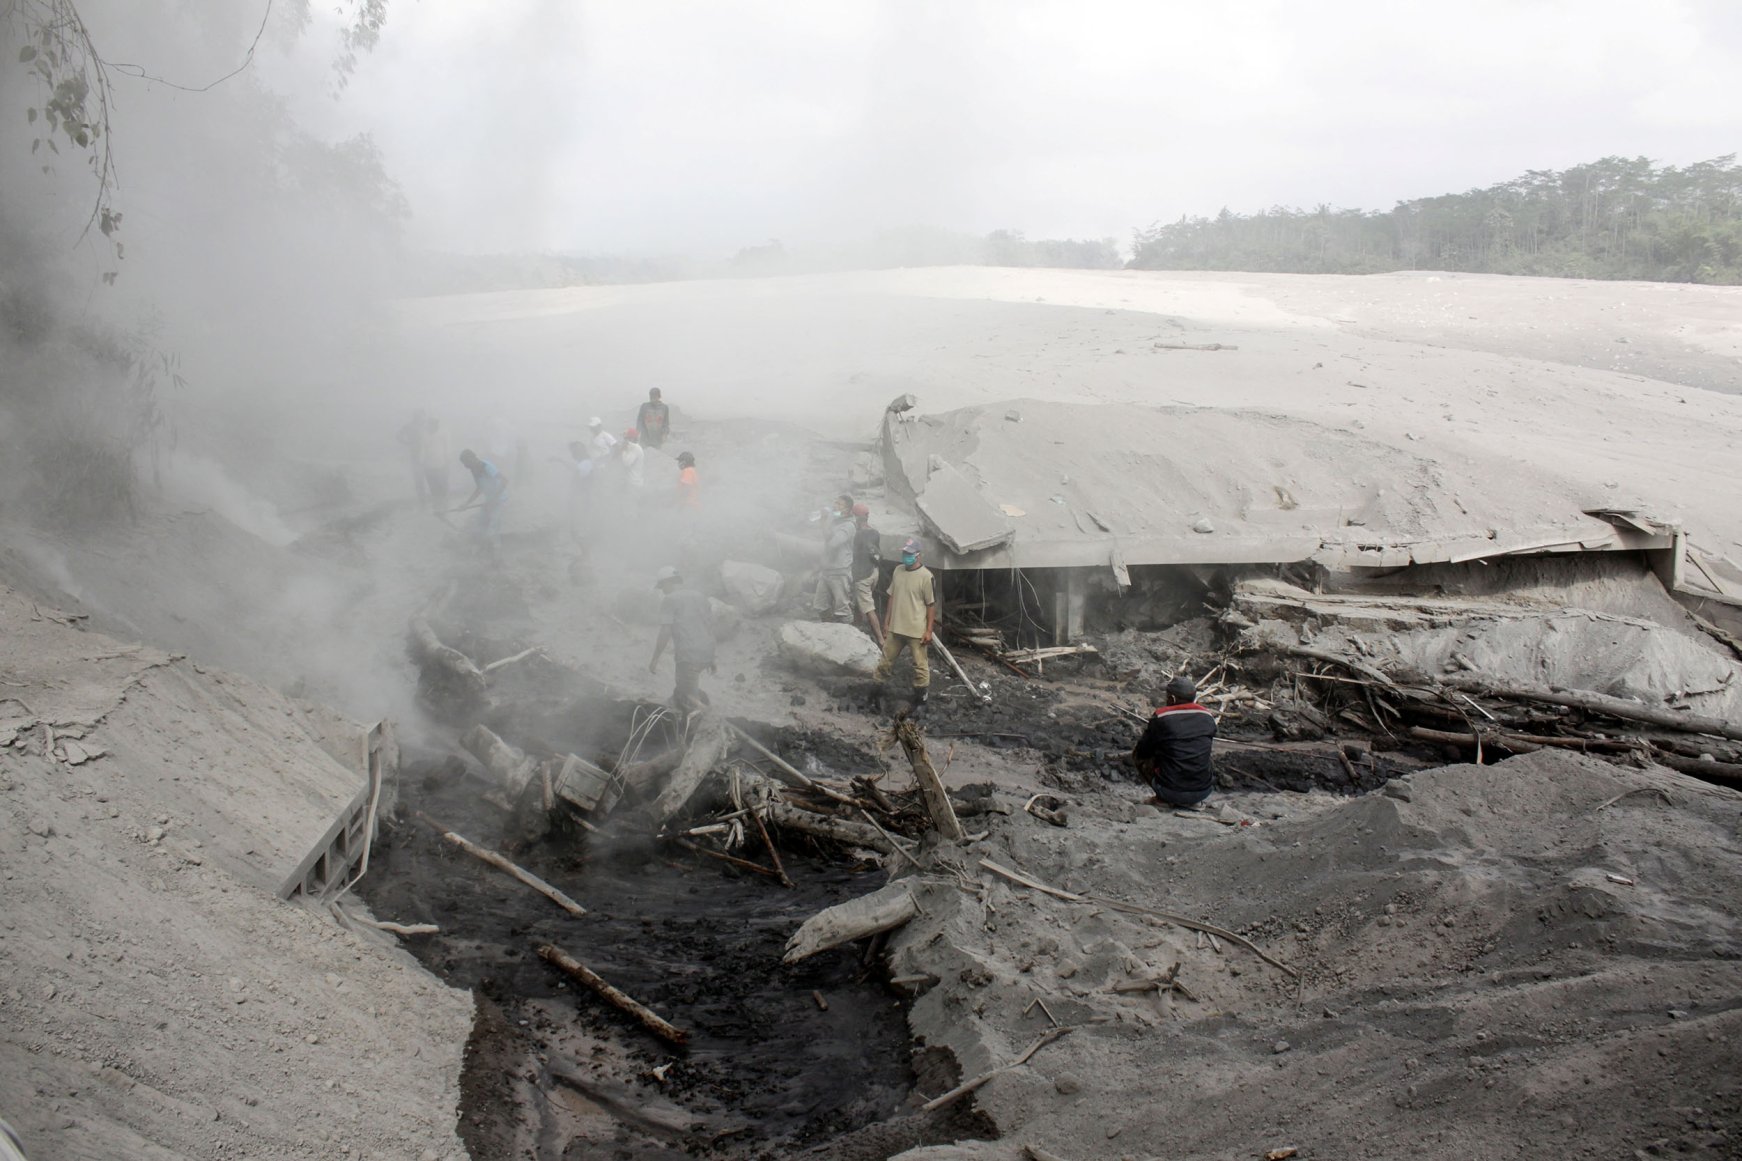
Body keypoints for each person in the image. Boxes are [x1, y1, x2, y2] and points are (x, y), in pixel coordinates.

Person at [1131, 675, 1217, 808]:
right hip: (1203, 791)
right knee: (1204, 755)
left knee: (1140, 755)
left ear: (1172, 699)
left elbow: (1144, 749)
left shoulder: (1162, 716)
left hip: (1169, 791)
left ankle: (1162, 799)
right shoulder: (1208, 717)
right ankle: (1193, 801)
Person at [872, 537, 935, 714]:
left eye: (908, 553)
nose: (905, 556)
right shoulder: (898, 571)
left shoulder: (926, 577)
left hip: (916, 630)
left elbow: (931, 605)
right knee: (885, 662)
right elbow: (892, 596)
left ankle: (921, 701)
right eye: (904, 553)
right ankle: (875, 694)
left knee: (920, 666)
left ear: (918, 555)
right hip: (895, 628)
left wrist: (929, 630)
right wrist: (886, 621)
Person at [649, 566, 716, 711]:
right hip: (707, 653)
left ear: (668, 583)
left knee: (687, 697)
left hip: (688, 656)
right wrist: (712, 658)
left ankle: (708, 716)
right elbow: (709, 626)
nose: (662, 590)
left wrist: (655, 659)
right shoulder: (700, 596)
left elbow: (665, 631)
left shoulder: (670, 600)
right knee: (686, 688)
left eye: (662, 586)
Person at [456, 449, 509, 554]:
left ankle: (496, 554)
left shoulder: (487, 467)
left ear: (473, 458)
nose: (465, 467)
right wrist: (466, 504)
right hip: (489, 500)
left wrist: (494, 498)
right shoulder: (474, 469)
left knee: (493, 528)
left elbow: (504, 480)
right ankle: (479, 549)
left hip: (499, 500)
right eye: (464, 464)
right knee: (480, 526)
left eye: (466, 463)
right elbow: (479, 488)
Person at [815, 493, 855, 622]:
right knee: (820, 606)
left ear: (847, 509)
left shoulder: (849, 525)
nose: (835, 506)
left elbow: (833, 543)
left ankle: (847, 634)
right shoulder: (835, 521)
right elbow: (827, 537)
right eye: (835, 502)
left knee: (842, 609)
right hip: (827, 570)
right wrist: (823, 523)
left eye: (839, 504)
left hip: (839, 572)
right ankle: (829, 630)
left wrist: (827, 523)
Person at [850, 502, 883, 640]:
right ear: (867, 515)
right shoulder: (875, 532)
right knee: (860, 601)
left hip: (862, 575)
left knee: (868, 608)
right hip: (874, 572)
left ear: (855, 516)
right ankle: (856, 626)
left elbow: (851, 555)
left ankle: (881, 640)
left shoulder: (856, 535)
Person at [419, 415, 450, 509]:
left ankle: (445, 505)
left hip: (441, 463)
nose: (432, 426)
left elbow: (447, 447)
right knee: (432, 485)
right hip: (428, 465)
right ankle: (437, 505)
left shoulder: (443, 433)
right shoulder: (424, 435)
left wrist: (448, 460)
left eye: (434, 424)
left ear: (437, 425)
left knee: (442, 484)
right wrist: (421, 461)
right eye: (430, 424)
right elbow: (422, 449)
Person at [616, 427, 646, 492]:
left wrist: (623, 450)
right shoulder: (632, 448)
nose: (624, 440)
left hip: (634, 485)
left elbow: (626, 463)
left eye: (625, 438)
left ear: (631, 439)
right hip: (632, 483)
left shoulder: (635, 448)